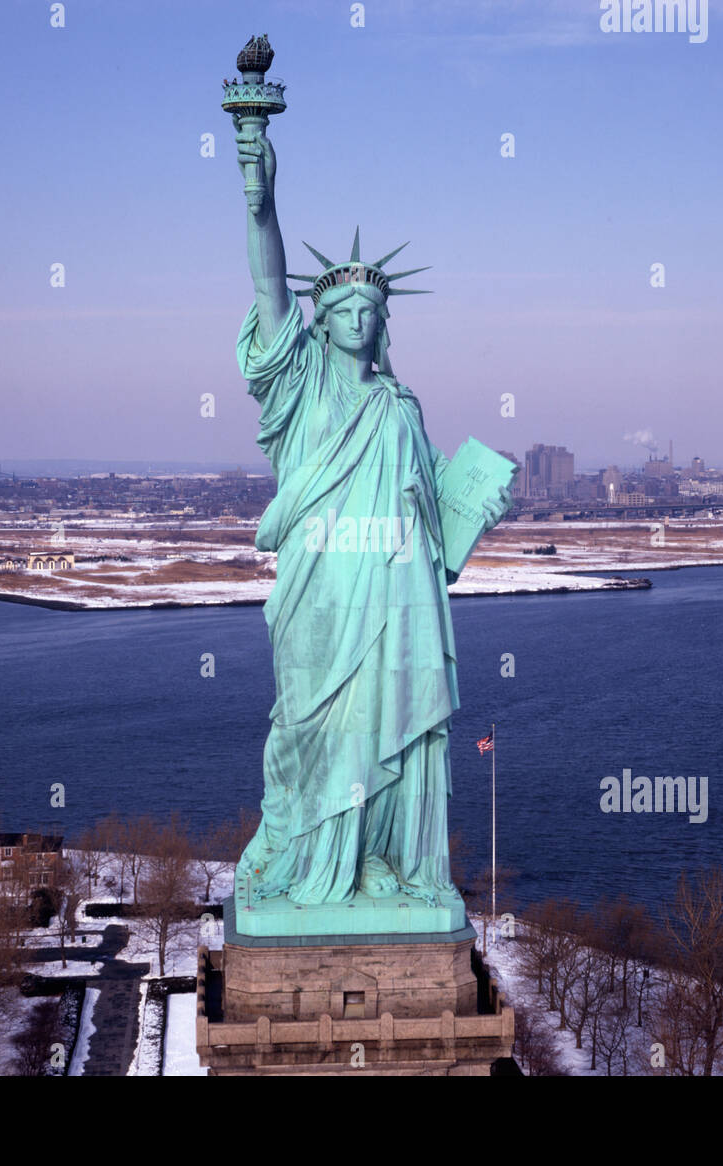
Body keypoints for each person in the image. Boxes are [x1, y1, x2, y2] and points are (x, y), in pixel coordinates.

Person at [232, 117, 510, 906]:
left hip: (391, 593)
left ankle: (374, 861)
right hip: (319, 588)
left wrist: (473, 503)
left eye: (370, 310)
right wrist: (261, 197)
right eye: (343, 308)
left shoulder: (400, 406)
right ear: (321, 320)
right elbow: (266, 285)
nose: (358, 319)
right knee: (308, 728)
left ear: (384, 324)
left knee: (390, 718)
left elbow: (430, 518)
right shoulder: (303, 384)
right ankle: (309, 857)